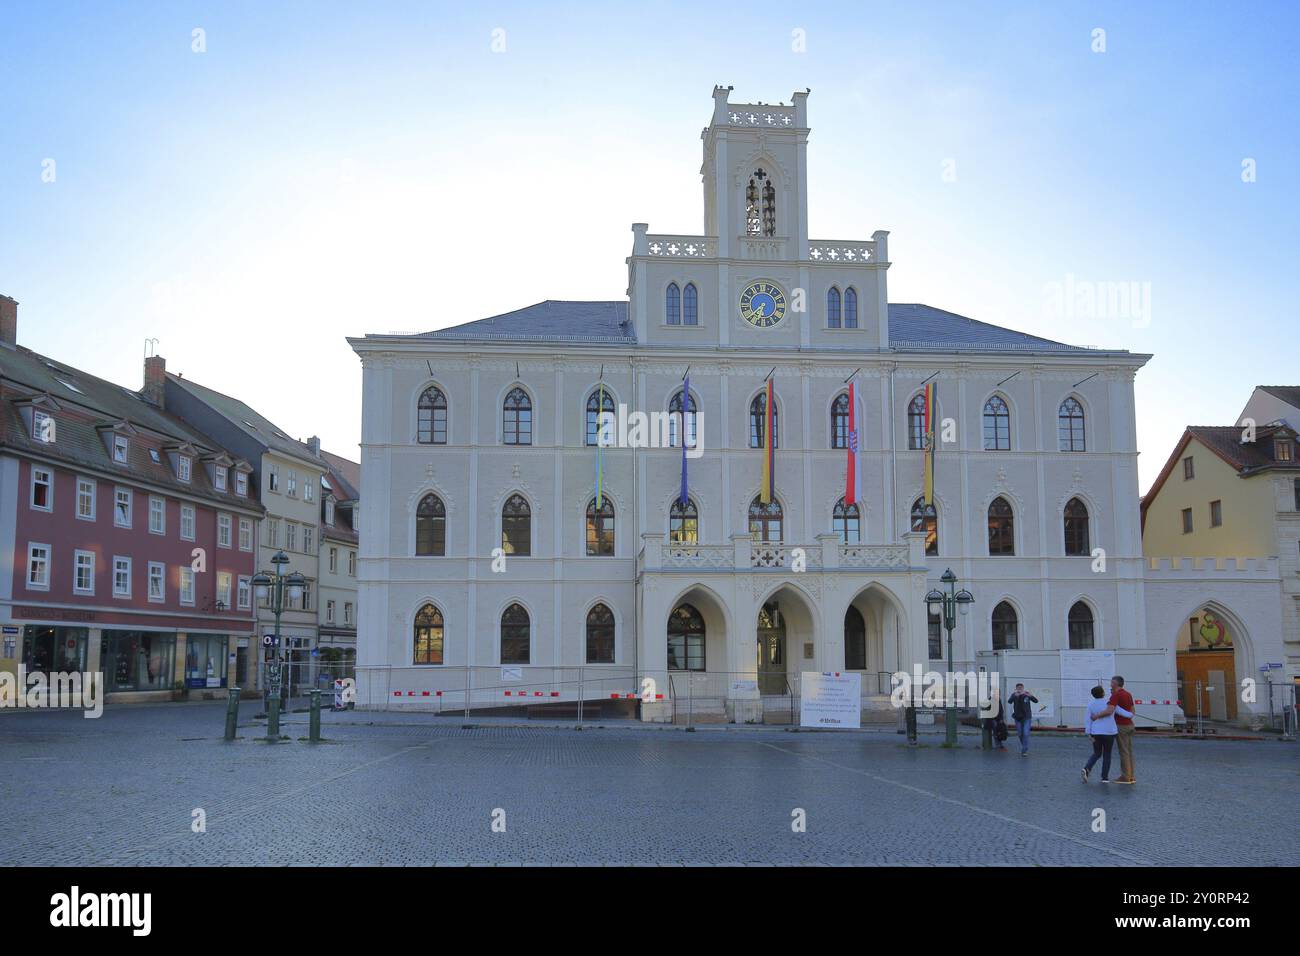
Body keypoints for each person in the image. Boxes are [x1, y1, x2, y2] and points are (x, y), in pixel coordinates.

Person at [1094, 675, 1137, 784]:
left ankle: (1125, 777)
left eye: (1112, 682)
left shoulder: (1116, 695)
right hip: (1130, 725)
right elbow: (1133, 710)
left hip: (1121, 726)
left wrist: (1096, 716)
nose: (1110, 684)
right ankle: (1131, 776)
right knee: (1129, 751)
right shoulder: (1128, 694)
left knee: (1123, 752)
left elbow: (1109, 710)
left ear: (1115, 683)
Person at [1081, 685, 1118, 782]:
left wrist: (1088, 733)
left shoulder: (1090, 704)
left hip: (1095, 732)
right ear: (1103, 693)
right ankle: (1104, 777)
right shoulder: (1109, 703)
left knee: (1097, 753)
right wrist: (1130, 714)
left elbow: (1088, 720)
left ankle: (1087, 768)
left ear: (1093, 695)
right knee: (1107, 754)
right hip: (1109, 732)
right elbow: (1121, 712)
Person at [1007, 683, 1039, 755]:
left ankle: (1024, 749)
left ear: (1023, 688)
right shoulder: (1014, 694)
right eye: (1018, 688)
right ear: (1016, 688)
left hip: (1027, 717)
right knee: (1020, 733)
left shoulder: (1026, 694)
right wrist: (1014, 696)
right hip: (1017, 717)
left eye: (1021, 688)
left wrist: (1031, 696)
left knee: (1025, 733)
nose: (1020, 689)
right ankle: (1024, 746)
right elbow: (1009, 702)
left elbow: (1036, 701)